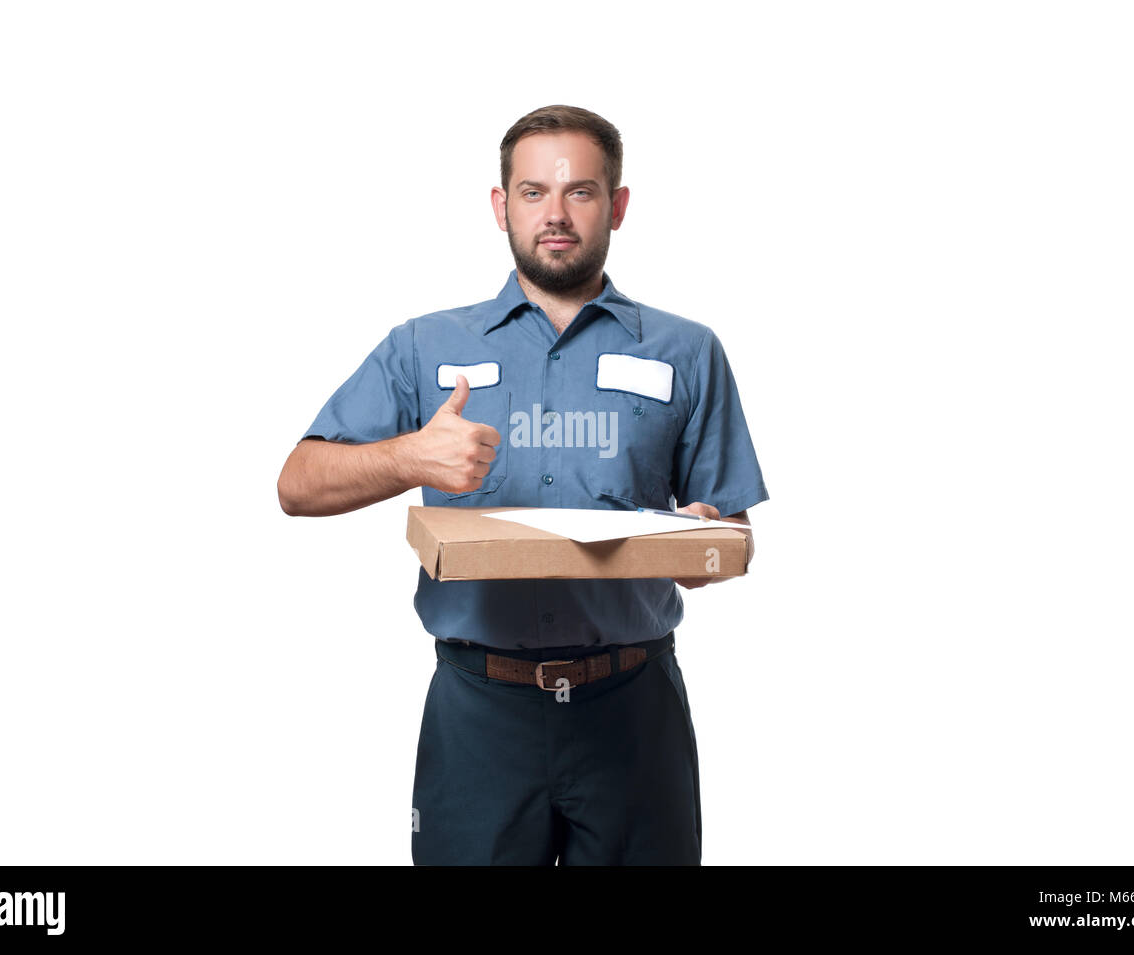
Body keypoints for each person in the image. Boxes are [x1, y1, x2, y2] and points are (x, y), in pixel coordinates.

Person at [277, 105, 768, 865]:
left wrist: (702, 539)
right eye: (534, 192)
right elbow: (297, 483)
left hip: (634, 708)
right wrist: (410, 457)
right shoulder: (425, 344)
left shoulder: (688, 350)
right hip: (480, 712)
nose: (558, 216)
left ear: (619, 205)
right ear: (502, 207)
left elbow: (732, 535)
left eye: (582, 192)